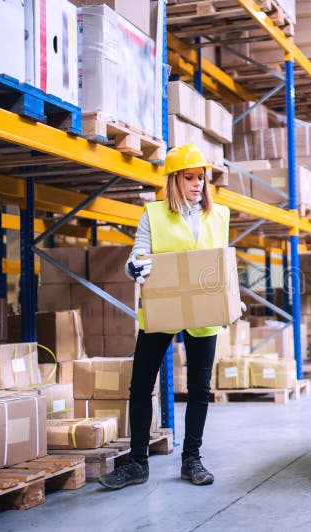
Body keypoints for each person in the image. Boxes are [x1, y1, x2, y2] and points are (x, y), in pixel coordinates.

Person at [99, 144, 233, 489]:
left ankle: (192, 460)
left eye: (201, 178)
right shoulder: (154, 215)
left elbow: (223, 265)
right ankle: (138, 463)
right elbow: (138, 256)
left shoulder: (219, 216)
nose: (198, 184)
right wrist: (136, 267)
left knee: (200, 388)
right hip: (163, 310)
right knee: (141, 384)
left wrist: (232, 299)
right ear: (174, 180)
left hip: (203, 311)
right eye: (190, 178)